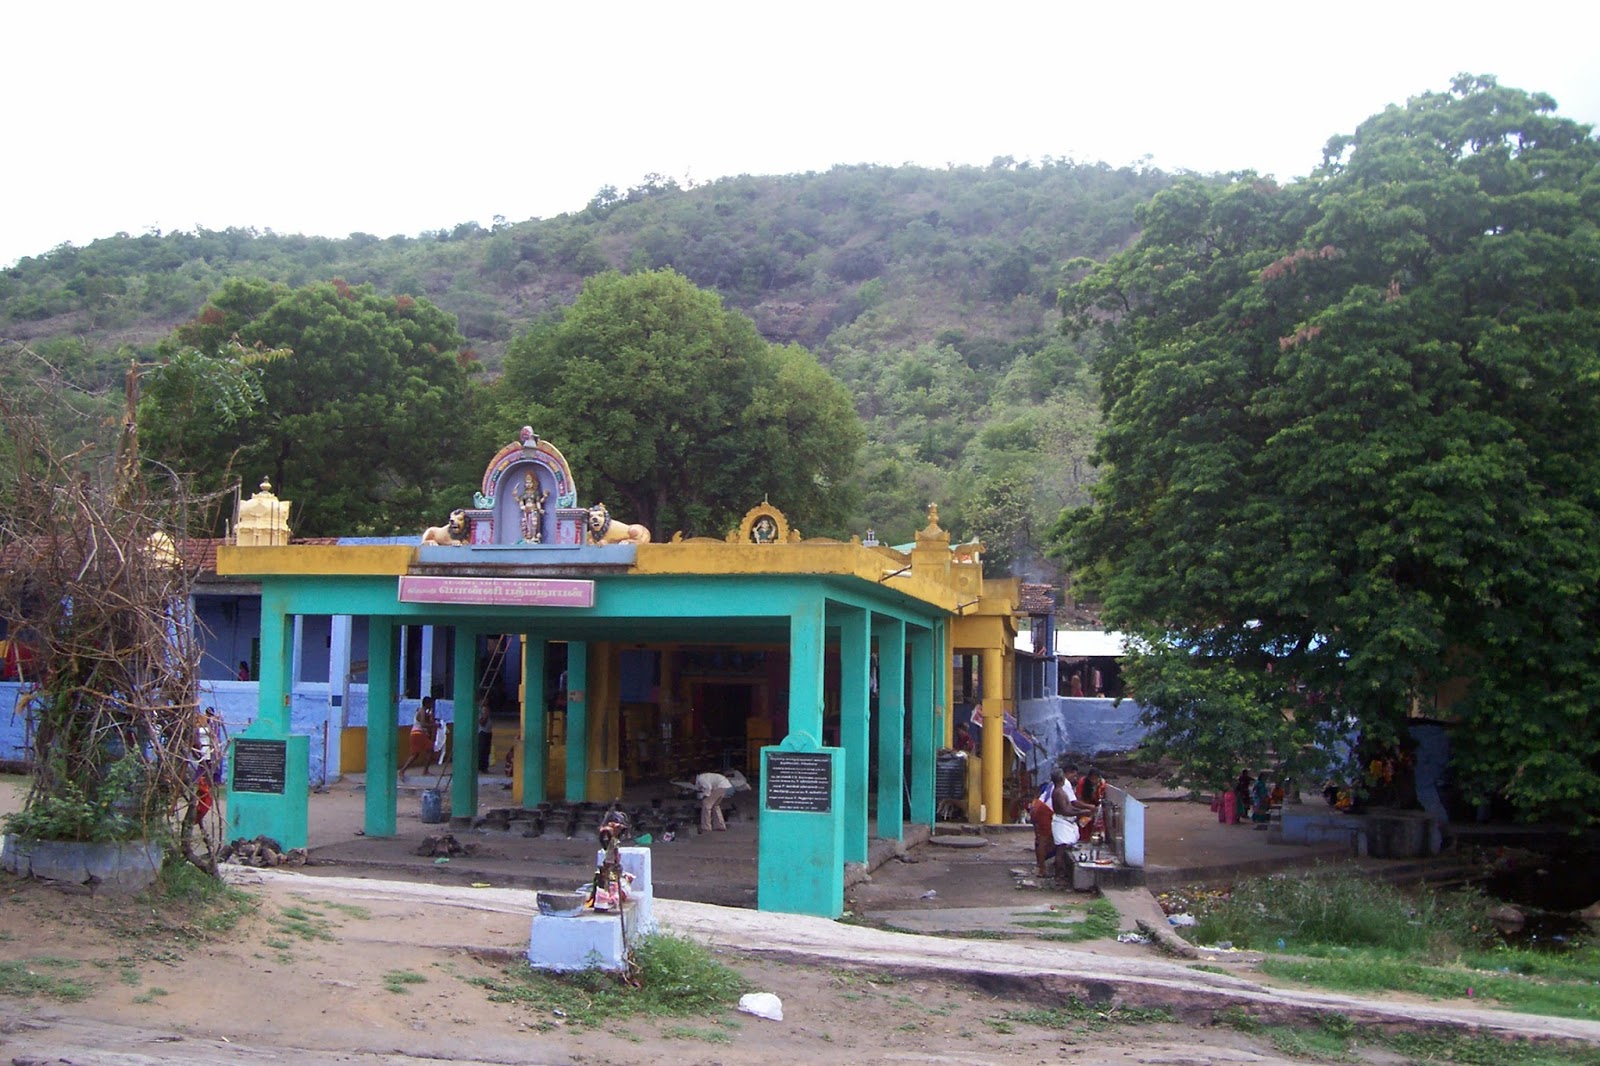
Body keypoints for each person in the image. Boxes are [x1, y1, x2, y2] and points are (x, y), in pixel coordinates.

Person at [1048, 768, 1081, 882]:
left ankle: (1061, 873)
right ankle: (1058, 875)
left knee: (1064, 849)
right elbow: (1065, 811)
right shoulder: (1058, 793)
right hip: (1061, 823)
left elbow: (1069, 807)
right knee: (1060, 851)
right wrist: (1082, 812)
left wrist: (1079, 811)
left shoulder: (1061, 791)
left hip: (1065, 822)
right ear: (1061, 779)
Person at [399, 697, 437, 781]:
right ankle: (424, 771)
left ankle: (403, 770)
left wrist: (431, 715)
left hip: (417, 733)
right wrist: (434, 725)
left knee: (416, 754)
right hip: (418, 733)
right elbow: (423, 724)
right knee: (429, 750)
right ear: (427, 704)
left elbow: (429, 720)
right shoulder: (422, 711)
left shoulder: (423, 711)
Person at [476, 696, 494, 774]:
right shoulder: (479, 710)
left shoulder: (486, 708)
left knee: (487, 750)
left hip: (488, 731)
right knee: (481, 750)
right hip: (482, 731)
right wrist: (486, 715)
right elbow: (482, 722)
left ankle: (484, 767)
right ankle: (479, 767)